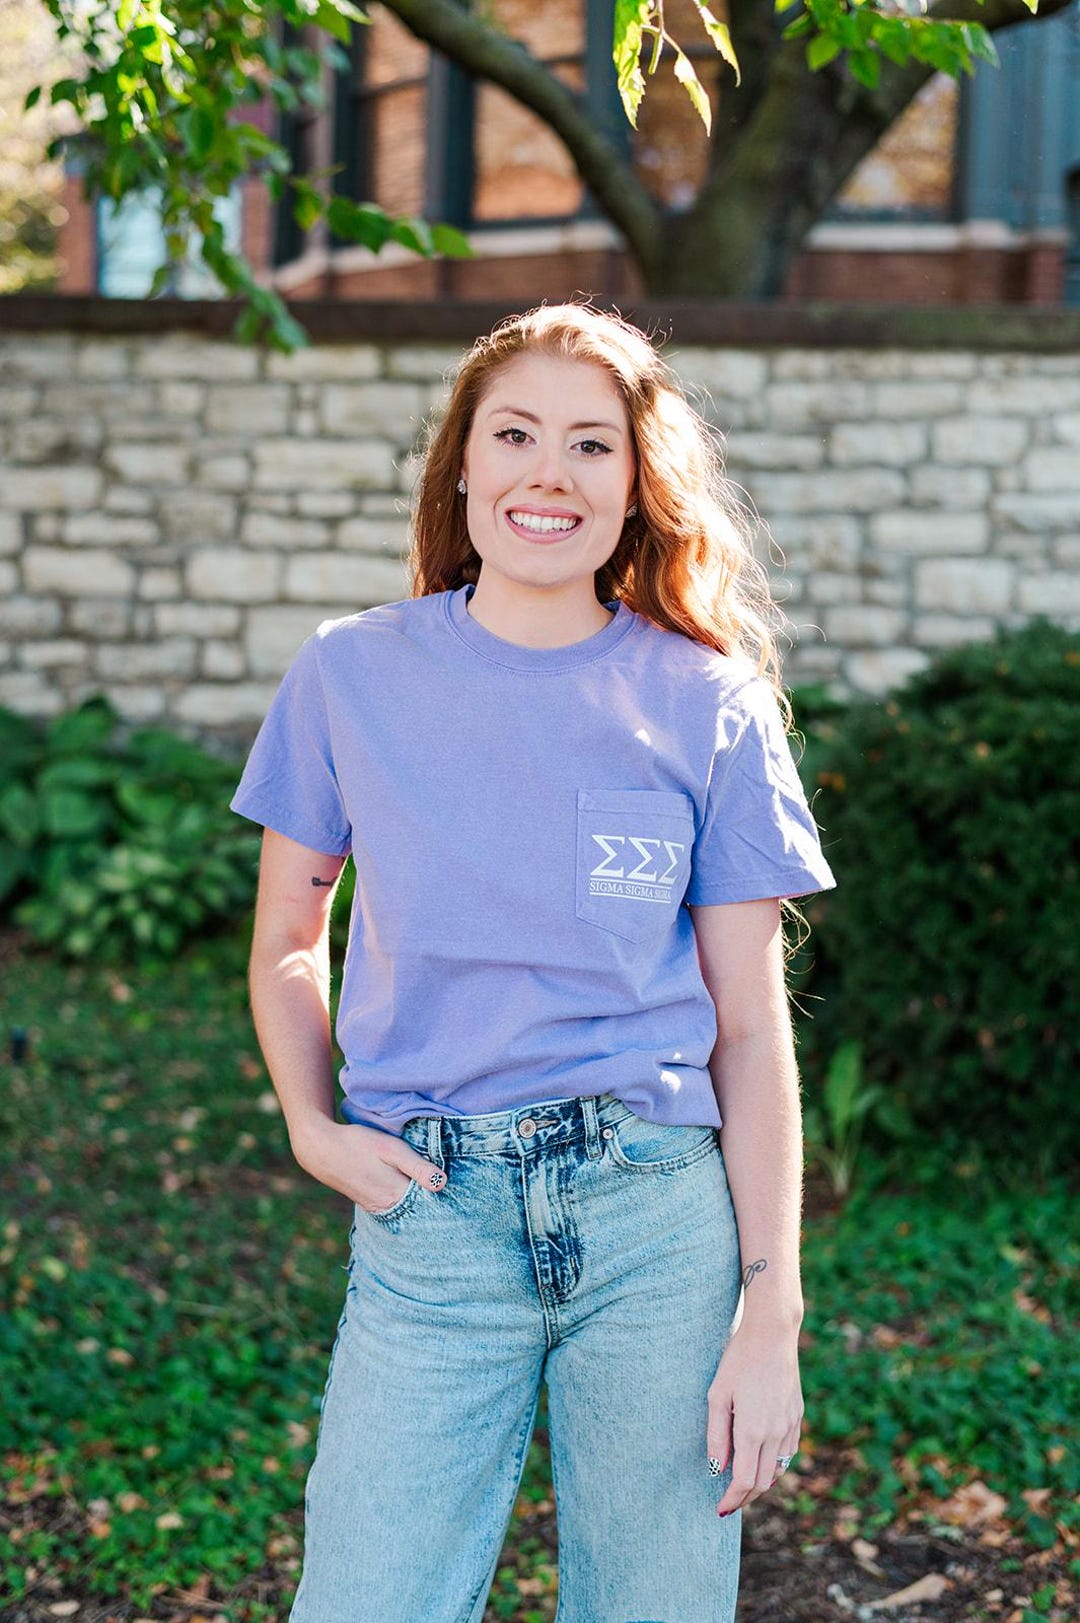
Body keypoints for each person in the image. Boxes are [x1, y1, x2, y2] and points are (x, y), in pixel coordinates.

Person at [230, 300, 836, 1623]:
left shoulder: (707, 702)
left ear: (638, 483)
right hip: (431, 1218)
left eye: (590, 446)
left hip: (656, 1218)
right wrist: (310, 1130)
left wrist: (770, 1309)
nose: (547, 475)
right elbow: (289, 938)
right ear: (463, 464)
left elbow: (749, 1027)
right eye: (514, 435)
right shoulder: (351, 676)